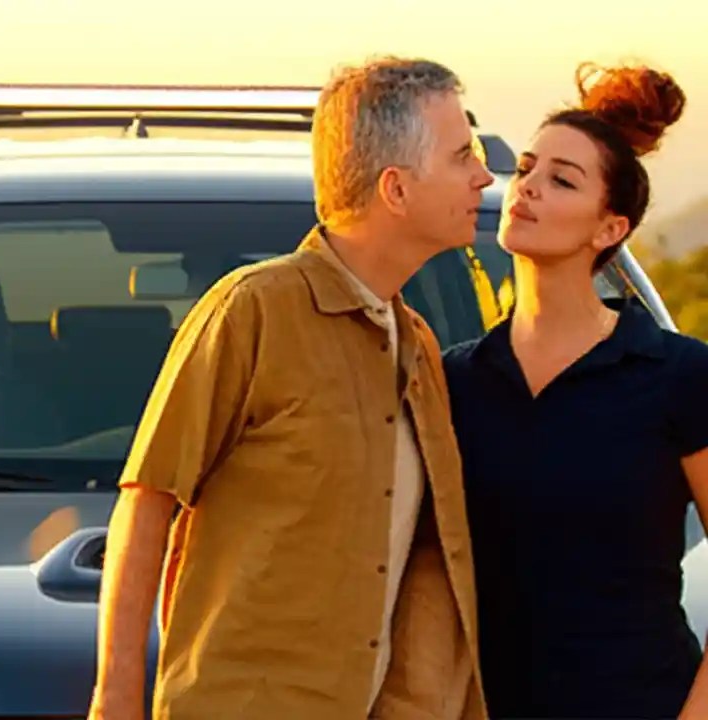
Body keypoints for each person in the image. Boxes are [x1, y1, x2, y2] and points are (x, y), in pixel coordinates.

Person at [87, 56, 495, 720]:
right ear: (396, 189)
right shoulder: (253, 311)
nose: (482, 176)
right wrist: (115, 702)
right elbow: (147, 501)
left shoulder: (418, 344)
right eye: (461, 156)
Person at [441, 62, 708, 718]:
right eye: (527, 168)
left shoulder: (676, 374)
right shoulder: (454, 380)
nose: (526, 188)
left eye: (561, 180)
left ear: (609, 229)